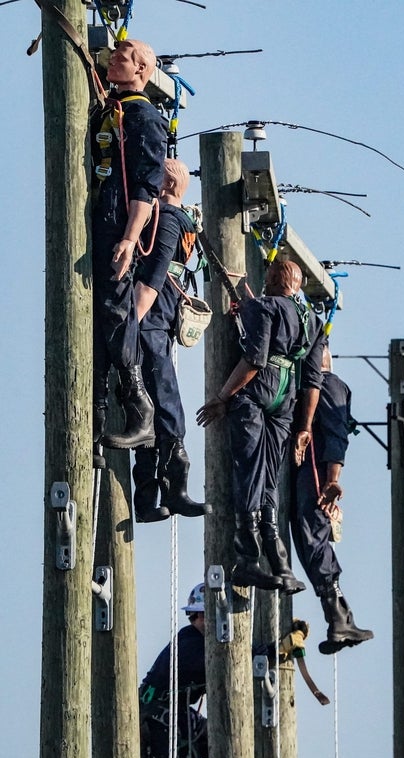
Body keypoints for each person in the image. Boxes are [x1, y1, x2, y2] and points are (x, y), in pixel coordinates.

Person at [196, 260, 326, 595]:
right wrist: (305, 427)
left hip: (255, 394)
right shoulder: (312, 321)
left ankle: (248, 559)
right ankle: (280, 562)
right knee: (269, 477)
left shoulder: (264, 307)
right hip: (286, 402)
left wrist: (222, 397)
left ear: (271, 280)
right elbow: (313, 382)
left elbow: (254, 358)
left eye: (267, 278)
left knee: (249, 470)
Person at [91, 38, 168, 451]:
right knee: (99, 314)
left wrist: (129, 237)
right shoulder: (111, 108)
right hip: (99, 218)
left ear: (141, 70)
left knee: (117, 312)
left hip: (118, 222)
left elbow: (147, 185)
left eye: (120, 58)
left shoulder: (144, 116)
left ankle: (141, 411)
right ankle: (98, 414)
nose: (111, 60)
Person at [131, 158, 211, 523]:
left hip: (151, 321)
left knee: (160, 404)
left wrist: (133, 317)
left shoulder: (167, 220)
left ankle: (166, 491)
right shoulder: (178, 221)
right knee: (154, 405)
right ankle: (154, 495)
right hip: (156, 323)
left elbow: (154, 273)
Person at [291, 346, 374, 655]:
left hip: (317, 473)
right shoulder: (304, 386)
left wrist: (332, 479)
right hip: (305, 474)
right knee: (306, 540)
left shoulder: (329, 384)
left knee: (313, 538)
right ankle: (340, 618)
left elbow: (337, 432)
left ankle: (339, 616)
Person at [139, 583, 209, 758]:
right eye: (202, 615)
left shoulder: (197, 641)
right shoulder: (192, 645)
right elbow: (232, 658)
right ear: (197, 616)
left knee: (228, 740)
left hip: (177, 714)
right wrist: (271, 649)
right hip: (159, 717)